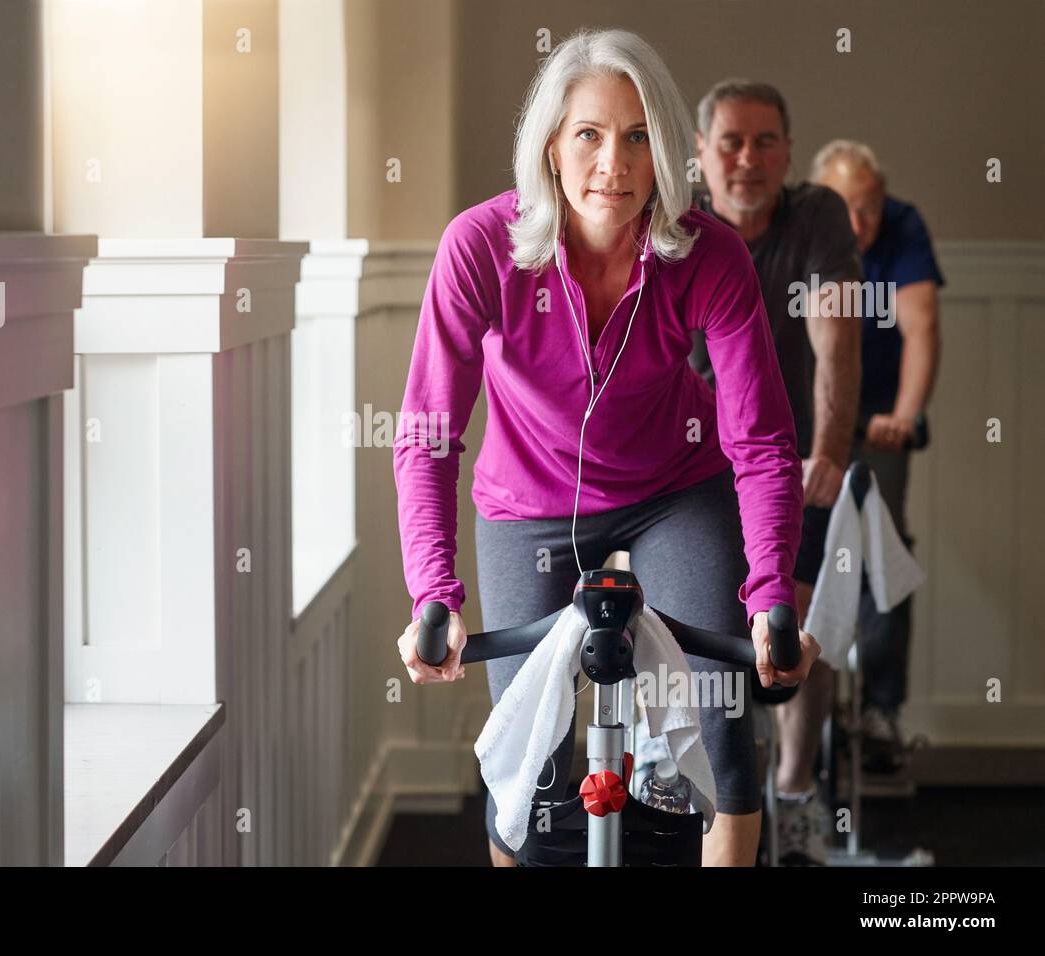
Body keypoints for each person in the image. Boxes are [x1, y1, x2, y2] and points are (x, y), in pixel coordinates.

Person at [391, 28, 820, 868]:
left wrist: (771, 597)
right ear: (551, 145)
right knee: (529, 761)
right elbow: (429, 433)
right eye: (589, 134)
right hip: (527, 506)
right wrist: (432, 595)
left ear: (664, 150)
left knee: (721, 719)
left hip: (673, 492)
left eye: (636, 138)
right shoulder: (479, 247)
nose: (613, 165)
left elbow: (763, 440)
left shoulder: (710, 254)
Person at [690, 79, 862, 865]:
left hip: (796, 460)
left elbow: (837, 342)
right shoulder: (678, 226)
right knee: (696, 632)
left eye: (765, 142)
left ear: (789, 153)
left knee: (794, 642)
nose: (747, 159)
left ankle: (793, 791)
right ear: (700, 154)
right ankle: (707, 794)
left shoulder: (817, 216)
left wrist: (826, 449)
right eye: (730, 141)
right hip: (697, 466)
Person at [812, 139, 942, 773]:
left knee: (882, 552)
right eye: (846, 210)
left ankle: (879, 711)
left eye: (870, 209)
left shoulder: (904, 227)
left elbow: (921, 327)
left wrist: (906, 415)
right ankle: (784, 702)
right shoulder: (804, 222)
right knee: (787, 545)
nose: (860, 226)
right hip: (806, 415)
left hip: (878, 419)